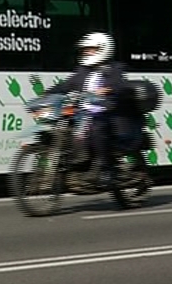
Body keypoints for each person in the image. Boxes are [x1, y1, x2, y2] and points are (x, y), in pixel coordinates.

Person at [44, 31, 131, 186]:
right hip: (85, 111)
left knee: (96, 126)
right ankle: (78, 163)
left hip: (108, 111)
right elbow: (67, 84)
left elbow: (121, 85)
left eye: (90, 49)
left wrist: (107, 89)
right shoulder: (83, 70)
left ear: (103, 48)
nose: (86, 52)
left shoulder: (114, 68)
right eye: (85, 49)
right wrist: (49, 93)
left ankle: (102, 166)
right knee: (64, 126)